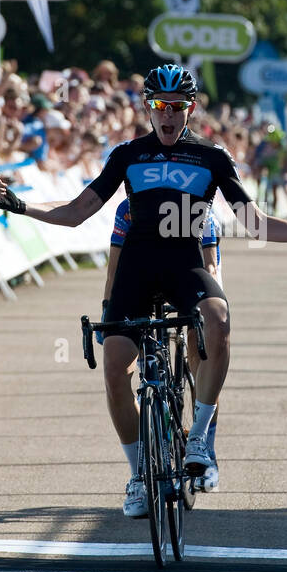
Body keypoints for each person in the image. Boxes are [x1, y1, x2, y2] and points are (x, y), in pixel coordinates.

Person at [0, 63, 287, 518]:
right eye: (160, 106)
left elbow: (255, 223)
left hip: (186, 265)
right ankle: (138, 475)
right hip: (138, 269)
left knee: (219, 321)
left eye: (177, 107)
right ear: (148, 108)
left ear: (191, 110)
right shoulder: (127, 155)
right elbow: (75, 210)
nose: (168, 115)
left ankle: (200, 437)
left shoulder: (212, 157)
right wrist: (20, 206)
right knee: (115, 369)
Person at [102, 195, 223, 491]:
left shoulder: (196, 207)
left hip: (192, 272)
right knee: (140, 349)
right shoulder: (127, 211)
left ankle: (206, 447)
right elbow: (114, 269)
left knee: (200, 347)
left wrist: (200, 318)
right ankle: (149, 457)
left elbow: (210, 270)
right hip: (145, 278)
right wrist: (107, 311)